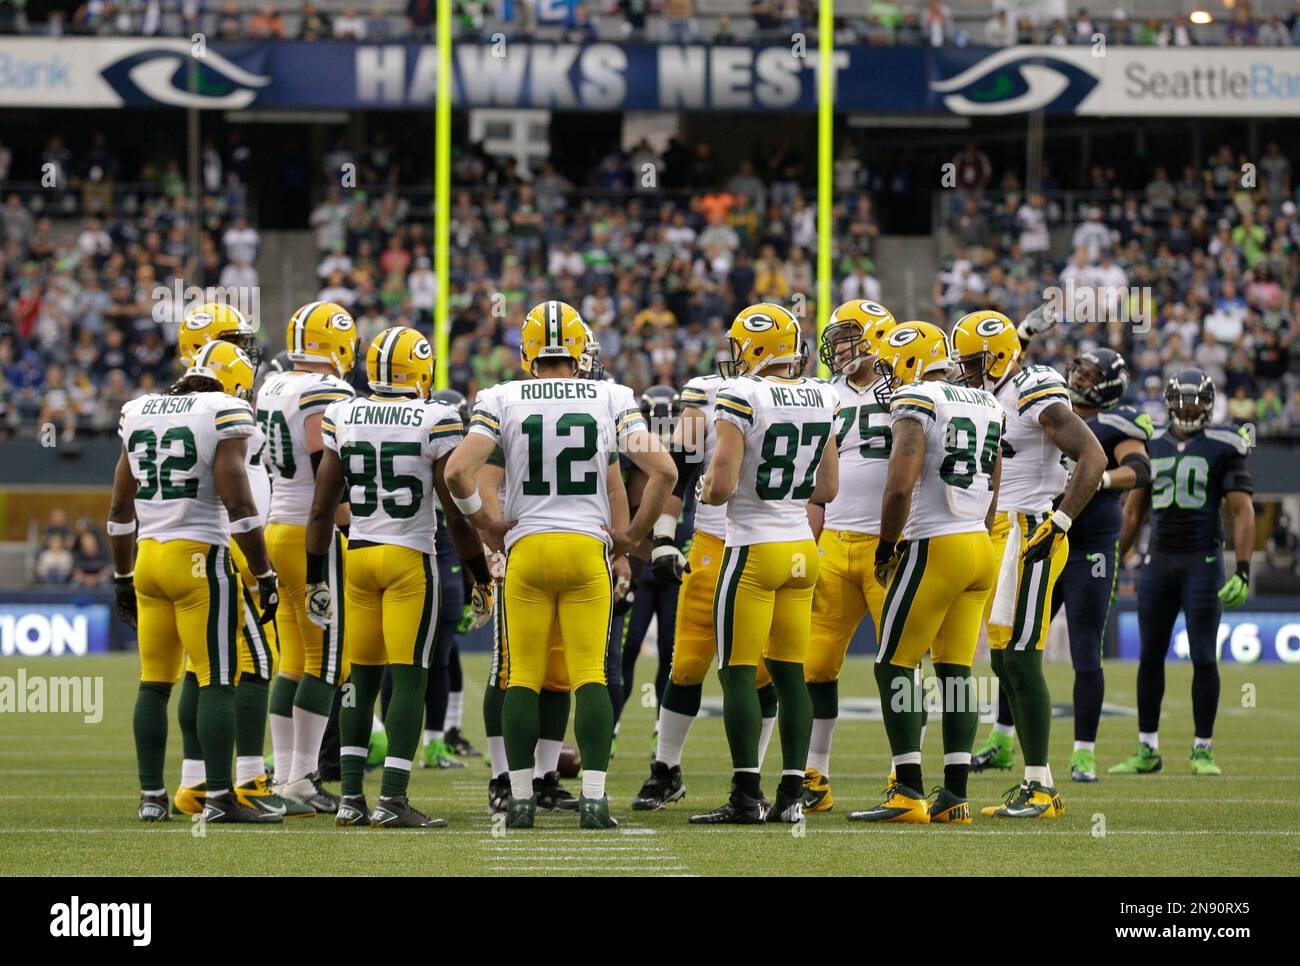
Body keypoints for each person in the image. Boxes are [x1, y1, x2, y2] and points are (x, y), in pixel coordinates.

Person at [445, 301, 676, 829]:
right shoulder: (611, 396)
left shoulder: (501, 396)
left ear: (529, 352)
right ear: (579, 351)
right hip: (584, 549)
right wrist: (631, 538)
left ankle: (521, 799)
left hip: (526, 549)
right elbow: (662, 471)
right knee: (590, 675)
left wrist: (488, 525)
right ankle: (593, 799)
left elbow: (459, 471)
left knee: (521, 676)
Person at [306, 326, 493, 828]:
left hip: (359, 557)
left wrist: (312, 577)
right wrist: (479, 573)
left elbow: (322, 507)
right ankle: (391, 799)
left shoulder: (343, 413)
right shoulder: (436, 417)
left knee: (360, 679)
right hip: (410, 558)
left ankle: (349, 798)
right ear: (422, 371)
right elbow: (454, 515)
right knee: (410, 678)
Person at [109, 340, 282, 824]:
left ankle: (151, 796)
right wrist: (265, 572)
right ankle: (221, 797)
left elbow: (120, 511)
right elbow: (240, 505)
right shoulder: (224, 409)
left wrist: (122, 577)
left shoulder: (140, 409)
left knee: (154, 683)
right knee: (218, 681)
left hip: (148, 560)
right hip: (199, 560)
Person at [689, 303, 839, 825]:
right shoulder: (823, 394)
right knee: (791, 675)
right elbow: (829, 488)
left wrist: (706, 490)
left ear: (755, 346)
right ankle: (793, 795)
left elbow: (724, 484)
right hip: (802, 548)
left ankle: (746, 795)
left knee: (735, 673)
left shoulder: (742, 395)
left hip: (752, 547)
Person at [952, 310, 1106, 818]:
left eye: (973, 362)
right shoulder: (993, 392)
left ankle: (1041, 786)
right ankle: (1031, 780)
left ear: (995, 358)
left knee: (1020, 655)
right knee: (1000, 659)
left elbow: (1094, 457)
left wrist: (1060, 521)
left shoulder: (1034, 386)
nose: (966, 371)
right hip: (998, 531)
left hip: (1030, 526)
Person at [849, 321, 1001, 824]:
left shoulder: (920, 400)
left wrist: (886, 548)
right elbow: (996, 477)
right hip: (978, 544)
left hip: (936, 544)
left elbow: (898, 487)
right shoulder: (985, 401)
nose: (888, 377)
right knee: (956, 672)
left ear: (911, 362)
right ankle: (955, 793)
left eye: (892, 366)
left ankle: (908, 789)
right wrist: (975, 526)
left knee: (893, 664)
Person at [1113, 369, 1255, 776]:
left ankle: (1203, 748)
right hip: (1158, 561)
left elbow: (1242, 511)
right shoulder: (1150, 442)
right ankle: (1147, 749)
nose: (1187, 409)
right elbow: (1134, 510)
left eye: (1195, 402)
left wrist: (1242, 569)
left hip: (1203, 562)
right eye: (1181, 401)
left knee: (1203, 656)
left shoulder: (1226, 443)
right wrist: (1116, 561)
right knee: (1149, 657)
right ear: (1168, 403)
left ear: (1209, 405)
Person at [258, 303, 359, 813]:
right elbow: (325, 465)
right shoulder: (326, 390)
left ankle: (285, 774)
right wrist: (350, 521)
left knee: (294, 660)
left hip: (278, 525)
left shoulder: (272, 384)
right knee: (327, 659)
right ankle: (300, 776)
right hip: (312, 532)